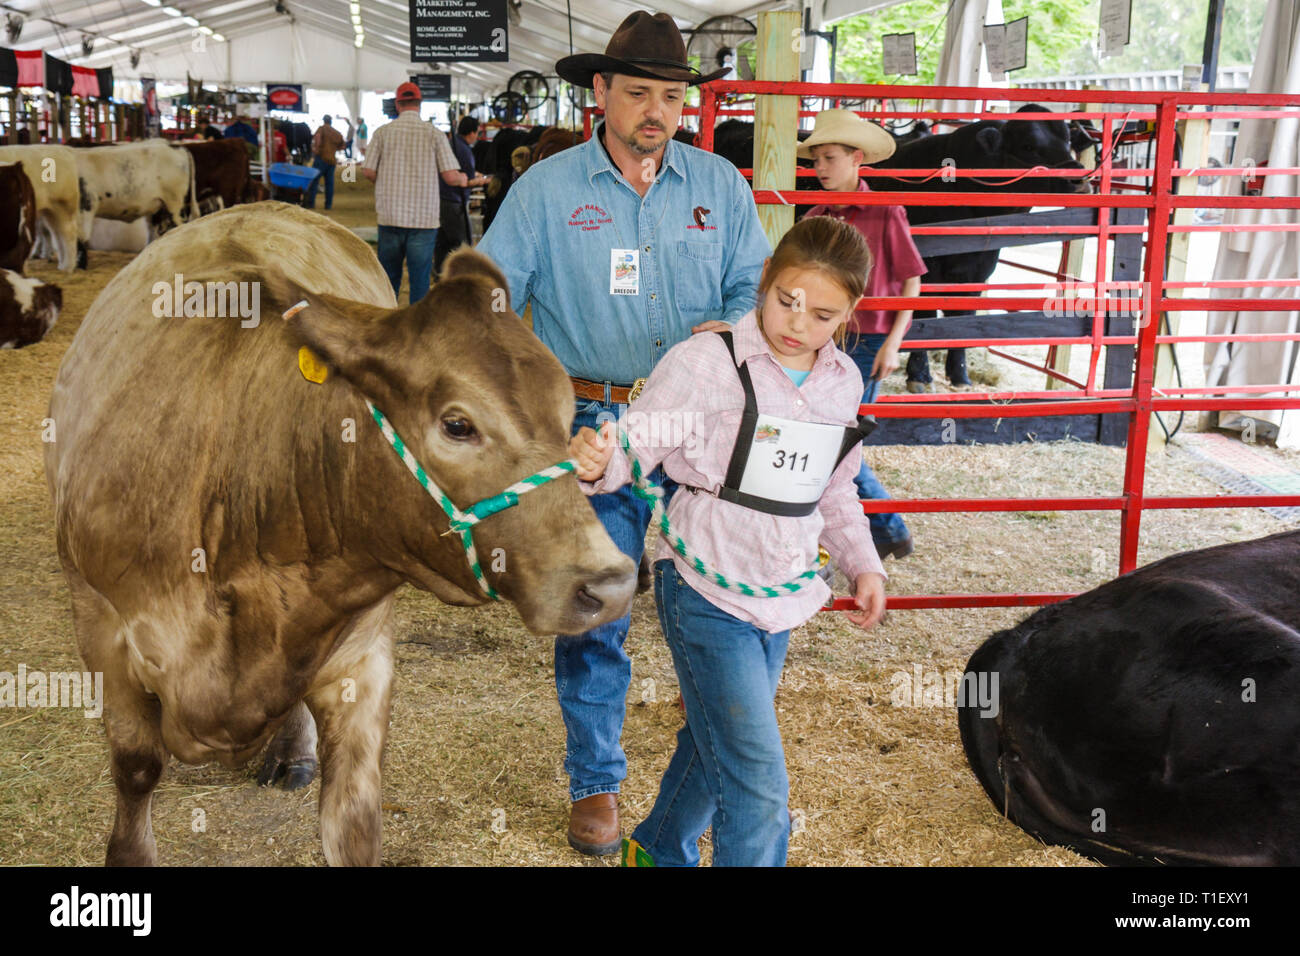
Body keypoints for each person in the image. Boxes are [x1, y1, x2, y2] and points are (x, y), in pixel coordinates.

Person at [476, 10, 770, 857]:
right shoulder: (545, 191)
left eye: (671, 96)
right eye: (637, 92)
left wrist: (724, 340)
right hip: (590, 424)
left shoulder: (720, 185)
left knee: (714, 597)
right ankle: (596, 781)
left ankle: (701, 759)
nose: (655, 111)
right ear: (599, 92)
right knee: (595, 609)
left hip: (696, 420)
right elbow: (492, 300)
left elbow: (754, 288)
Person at [569, 216, 888, 867]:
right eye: (786, 300)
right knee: (758, 785)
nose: (798, 323)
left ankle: (656, 849)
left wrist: (863, 563)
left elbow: (833, 487)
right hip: (707, 589)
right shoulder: (706, 364)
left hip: (783, 590)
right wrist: (599, 458)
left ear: (849, 313)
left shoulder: (841, 384)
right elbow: (639, 441)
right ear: (765, 282)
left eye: (823, 314)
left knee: (715, 737)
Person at [801, 110, 925, 561]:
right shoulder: (815, 215)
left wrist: (894, 342)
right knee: (829, 436)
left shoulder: (886, 210)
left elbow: (912, 278)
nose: (820, 169)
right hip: (822, 338)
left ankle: (888, 527)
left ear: (857, 159)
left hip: (867, 340)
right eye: (816, 161)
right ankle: (882, 529)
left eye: (829, 158)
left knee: (837, 439)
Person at [361, 82, 467, 304]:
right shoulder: (435, 134)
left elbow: (368, 171)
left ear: (398, 104)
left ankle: (386, 322)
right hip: (424, 220)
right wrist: (464, 178)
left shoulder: (382, 133)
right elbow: (450, 176)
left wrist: (384, 180)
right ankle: (416, 331)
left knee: (388, 278)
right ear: (419, 104)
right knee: (420, 280)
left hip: (390, 216)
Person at [433, 116, 490, 275]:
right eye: (477, 133)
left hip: (443, 198)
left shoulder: (452, 144)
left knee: (443, 240)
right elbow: (466, 180)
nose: (477, 137)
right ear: (471, 133)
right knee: (462, 242)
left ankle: (439, 272)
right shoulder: (463, 150)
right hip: (454, 200)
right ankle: (462, 275)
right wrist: (484, 181)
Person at [303, 115, 345, 211]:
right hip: (332, 160)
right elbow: (343, 146)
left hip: (321, 158)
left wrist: (316, 149)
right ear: (331, 122)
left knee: (314, 181)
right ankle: (328, 205)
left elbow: (317, 137)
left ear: (324, 121)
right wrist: (334, 149)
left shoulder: (321, 129)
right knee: (329, 184)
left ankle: (311, 204)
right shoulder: (336, 133)